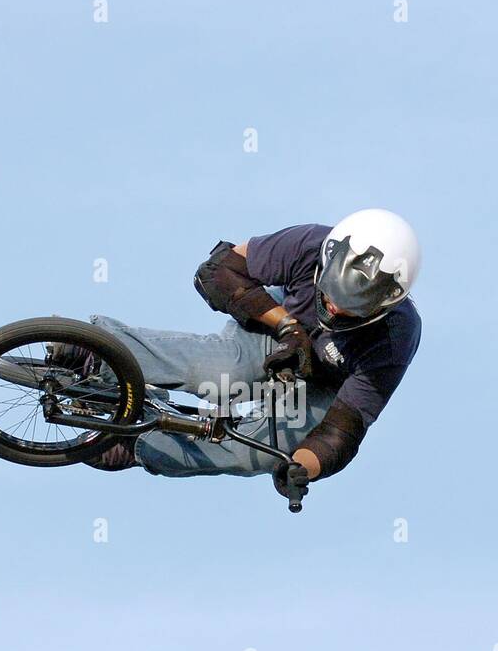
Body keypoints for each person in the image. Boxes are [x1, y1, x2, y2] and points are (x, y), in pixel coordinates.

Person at [67, 209, 422, 502]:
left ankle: (133, 443)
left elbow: (341, 432)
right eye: (329, 292)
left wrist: (303, 467)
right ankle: (97, 349)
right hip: (278, 326)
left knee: (262, 455)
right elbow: (216, 271)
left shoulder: (394, 338)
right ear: (328, 258)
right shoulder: (308, 243)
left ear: (383, 306)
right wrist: (287, 328)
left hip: (324, 385)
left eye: (352, 308)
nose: (334, 307)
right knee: (227, 373)